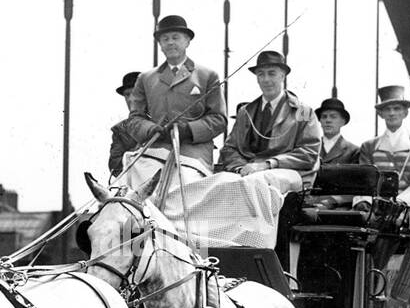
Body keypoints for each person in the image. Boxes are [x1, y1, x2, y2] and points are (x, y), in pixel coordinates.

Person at [124, 15, 225, 171]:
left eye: (175, 37)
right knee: (136, 179)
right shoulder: (146, 78)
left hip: (194, 153)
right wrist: (150, 129)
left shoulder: (208, 75)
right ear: (160, 45)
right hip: (155, 149)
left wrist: (189, 130)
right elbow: (134, 119)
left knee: (186, 181)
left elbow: (219, 119)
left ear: (187, 41)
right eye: (165, 39)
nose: (170, 42)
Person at [217, 50, 320, 193]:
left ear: (282, 76)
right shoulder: (245, 112)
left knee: (258, 183)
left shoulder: (302, 111)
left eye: (272, 73)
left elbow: (309, 152)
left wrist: (267, 164)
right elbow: (230, 148)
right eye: (261, 74)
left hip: (290, 173)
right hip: (249, 174)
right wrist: (241, 168)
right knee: (217, 183)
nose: (266, 79)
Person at [355, 84, 410, 207]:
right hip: (376, 208)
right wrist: (364, 201)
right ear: (380, 114)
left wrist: (401, 202)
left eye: (397, 108)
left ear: (405, 113)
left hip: (408, 207)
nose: (392, 113)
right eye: (387, 109)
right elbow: (365, 181)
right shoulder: (369, 146)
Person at [108, 71, 141, 178]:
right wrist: (136, 152)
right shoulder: (120, 130)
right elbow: (115, 167)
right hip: (134, 185)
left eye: (135, 93)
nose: (131, 99)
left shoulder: (162, 122)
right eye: (127, 94)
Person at [316, 97, 359, 165]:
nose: (328, 120)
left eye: (333, 117)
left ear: (343, 121)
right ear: (320, 121)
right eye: (324, 117)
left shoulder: (353, 151)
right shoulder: (311, 147)